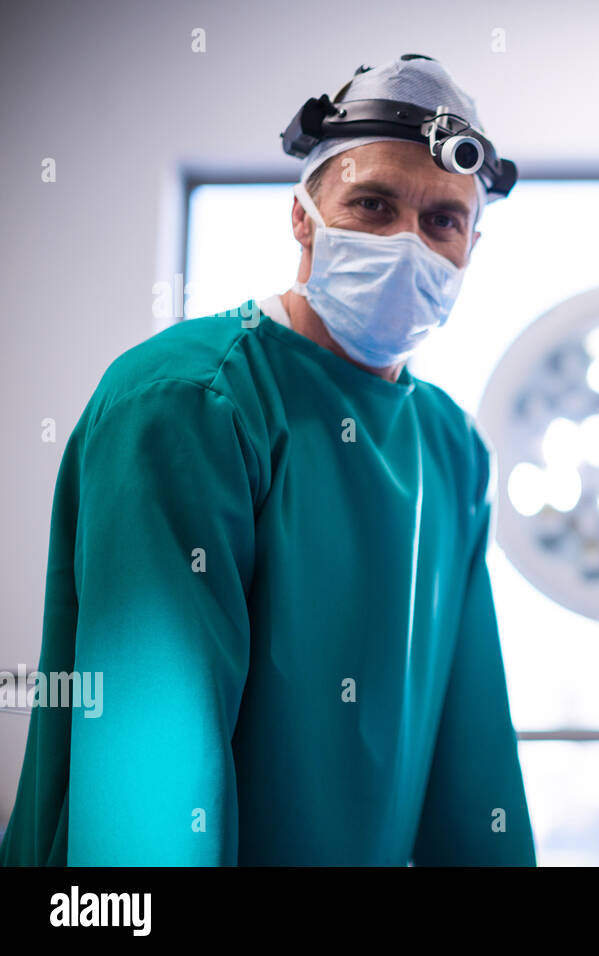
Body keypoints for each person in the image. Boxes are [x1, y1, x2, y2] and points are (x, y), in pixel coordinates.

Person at [0, 55, 536, 865]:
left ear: (471, 243)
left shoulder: (450, 449)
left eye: (442, 222)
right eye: (373, 204)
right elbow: (151, 774)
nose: (407, 243)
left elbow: (473, 755)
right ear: (303, 216)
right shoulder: (189, 401)